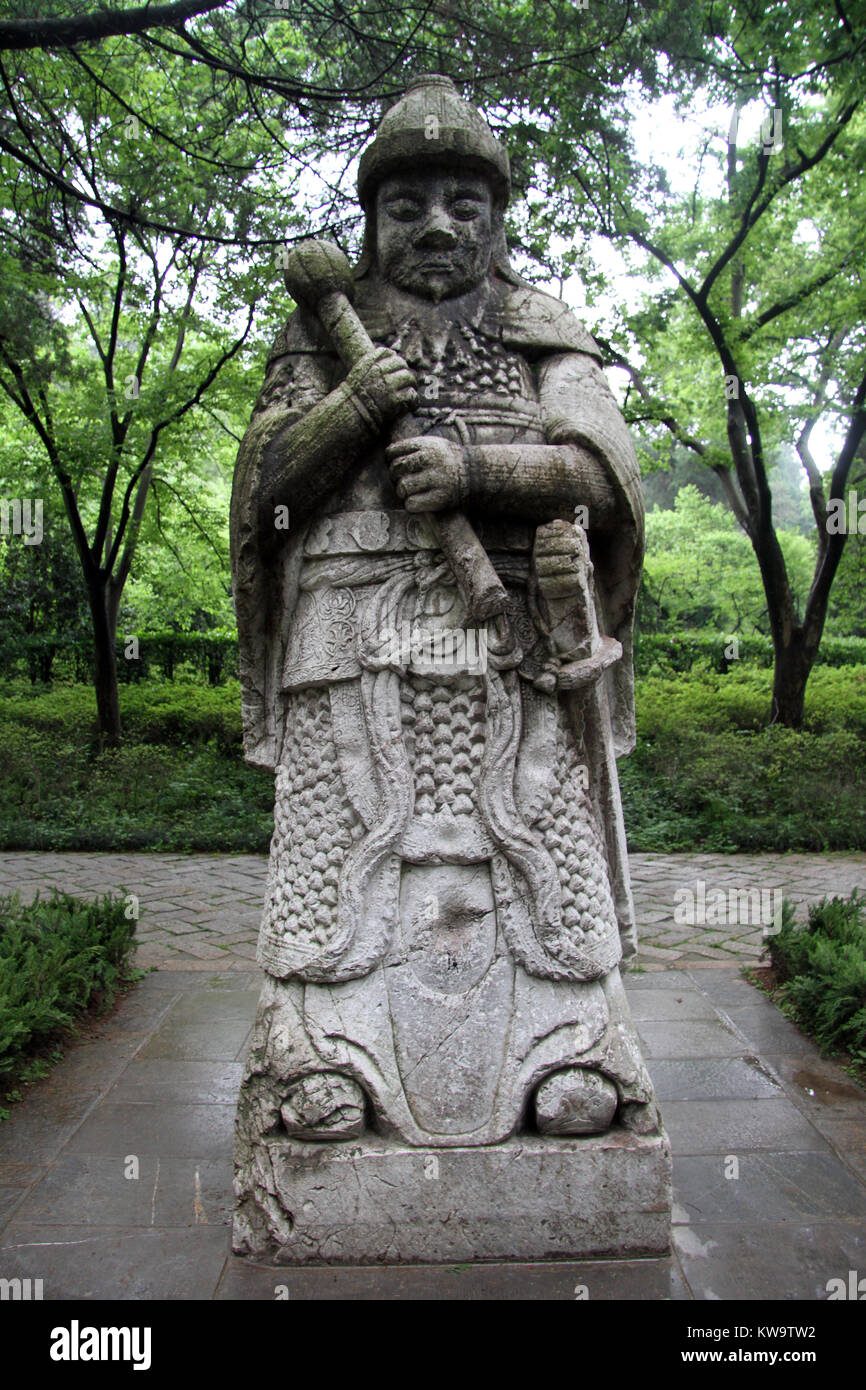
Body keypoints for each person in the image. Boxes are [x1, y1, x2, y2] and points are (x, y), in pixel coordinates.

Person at [231, 76, 659, 1183]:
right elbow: (270, 495)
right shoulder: (321, 335)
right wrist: (358, 405)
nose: (434, 223)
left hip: (510, 629)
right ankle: (313, 1054)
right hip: (345, 634)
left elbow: (602, 482)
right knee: (337, 848)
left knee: (533, 841)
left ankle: (573, 1049)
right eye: (407, 201)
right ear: (370, 220)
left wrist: (476, 468)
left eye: (463, 202)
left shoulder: (537, 329)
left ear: (497, 219)